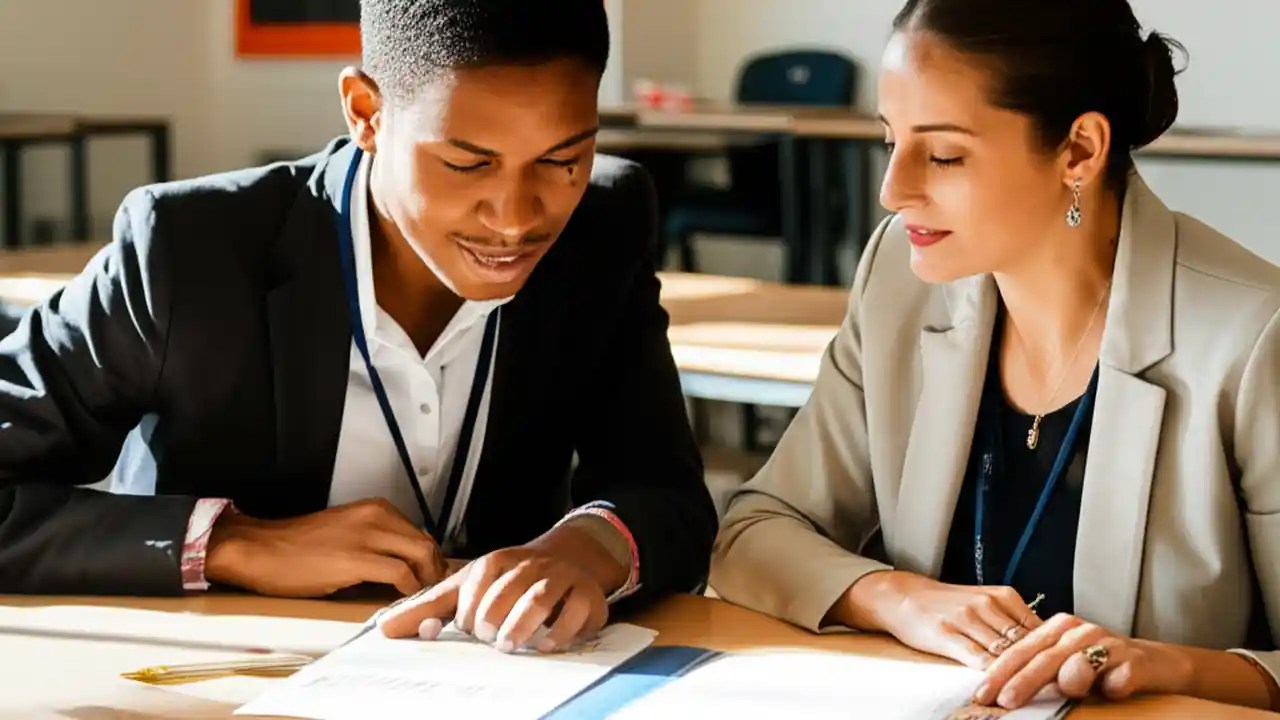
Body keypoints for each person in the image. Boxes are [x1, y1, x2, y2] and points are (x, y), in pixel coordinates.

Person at [0, 0, 716, 654]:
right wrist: (234, 544)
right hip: (215, 681)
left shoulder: (601, 229)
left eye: (563, 160)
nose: (515, 218)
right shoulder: (189, 253)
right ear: (366, 112)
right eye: (467, 164)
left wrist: (587, 548)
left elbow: (667, 493)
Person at [710, 0, 1280, 712]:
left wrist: (1169, 666)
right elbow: (755, 531)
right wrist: (896, 598)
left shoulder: (1254, 337)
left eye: (943, 155)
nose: (891, 192)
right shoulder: (899, 280)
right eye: (890, 141)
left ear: (1080, 151)